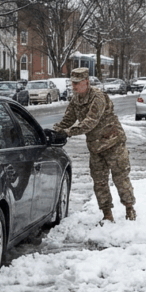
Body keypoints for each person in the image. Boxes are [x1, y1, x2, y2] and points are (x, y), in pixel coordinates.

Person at [51, 67, 136, 224]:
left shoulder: (97, 97)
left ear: (86, 82)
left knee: (120, 178)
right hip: (96, 148)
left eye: (77, 83)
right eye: (73, 83)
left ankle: (129, 209)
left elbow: (90, 122)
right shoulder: (75, 100)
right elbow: (67, 120)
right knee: (99, 181)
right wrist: (55, 130)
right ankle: (107, 215)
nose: (74, 86)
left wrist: (68, 133)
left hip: (113, 143)